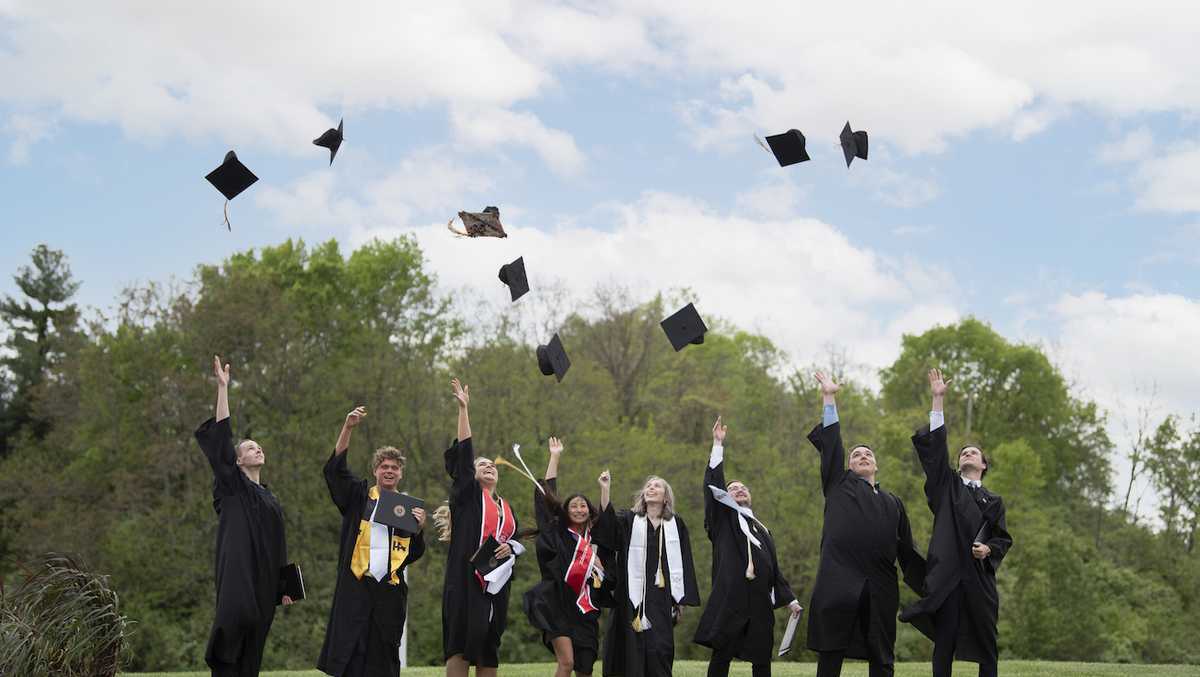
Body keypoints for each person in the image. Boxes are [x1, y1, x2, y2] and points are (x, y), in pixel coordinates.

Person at [806, 372, 926, 677]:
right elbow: (832, 442)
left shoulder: (893, 502)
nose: (862, 456)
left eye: (868, 454)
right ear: (847, 465)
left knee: (882, 654)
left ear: (875, 465)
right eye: (856, 454)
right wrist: (829, 398)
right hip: (839, 578)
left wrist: (935, 583)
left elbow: (907, 550)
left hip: (881, 585)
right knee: (831, 651)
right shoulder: (838, 485)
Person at [900, 369, 1013, 677]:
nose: (967, 453)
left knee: (987, 644)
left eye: (973, 451)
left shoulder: (994, 501)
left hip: (979, 579)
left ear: (984, 464)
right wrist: (938, 400)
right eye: (963, 452)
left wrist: (988, 551)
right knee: (945, 641)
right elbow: (936, 453)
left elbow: (1003, 538)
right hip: (948, 576)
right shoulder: (947, 487)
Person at [194, 355, 292, 677]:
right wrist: (223, 390)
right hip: (239, 577)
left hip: (264, 582)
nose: (257, 449)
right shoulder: (233, 487)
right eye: (249, 447)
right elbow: (222, 440)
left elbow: (279, 545)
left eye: (259, 447)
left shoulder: (270, 499)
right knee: (233, 630)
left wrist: (285, 585)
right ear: (237, 462)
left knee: (254, 645)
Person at [318, 405, 427, 677]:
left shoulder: (406, 509)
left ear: (400, 473)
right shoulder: (359, 497)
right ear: (375, 470)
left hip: (388, 593)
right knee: (352, 658)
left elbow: (412, 555)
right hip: (356, 587)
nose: (389, 471)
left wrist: (420, 529)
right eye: (384, 466)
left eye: (394, 468)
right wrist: (348, 428)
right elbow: (335, 471)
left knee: (384, 659)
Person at [694, 416, 803, 677]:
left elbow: (773, 569)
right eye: (733, 488)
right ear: (725, 496)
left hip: (760, 602)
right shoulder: (722, 521)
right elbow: (713, 487)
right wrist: (717, 445)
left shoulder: (762, 529)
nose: (740, 489)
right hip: (732, 598)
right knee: (722, 655)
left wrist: (790, 599)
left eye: (744, 488)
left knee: (761, 658)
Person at [441, 378, 526, 677]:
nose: (489, 466)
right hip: (465, 581)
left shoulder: (506, 508)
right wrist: (464, 410)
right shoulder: (467, 497)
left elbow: (516, 540)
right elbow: (464, 458)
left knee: (489, 646)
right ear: (472, 475)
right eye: (482, 464)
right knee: (460, 644)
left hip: (496, 585)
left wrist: (512, 547)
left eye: (493, 464)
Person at [593, 470, 700, 677]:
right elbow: (607, 530)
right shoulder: (629, 520)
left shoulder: (676, 524)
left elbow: (685, 561)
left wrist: (681, 599)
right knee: (630, 649)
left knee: (659, 647)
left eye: (657, 486)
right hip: (630, 597)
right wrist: (605, 490)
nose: (651, 488)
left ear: (665, 497)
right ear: (643, 495)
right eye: (649, 486)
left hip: (661, 596)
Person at [523, 436, 611, 677]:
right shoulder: (558, 534)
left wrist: (605, 490)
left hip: (585, 608)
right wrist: (555, 457)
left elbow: (609, 524)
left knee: (585, 667)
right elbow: (546, 498)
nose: (579, 509)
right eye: (574, 506)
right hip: (557, 604)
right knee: (567, 663)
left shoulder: (595, 541)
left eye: (583, 505)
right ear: (566, 511)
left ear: (589, 510)